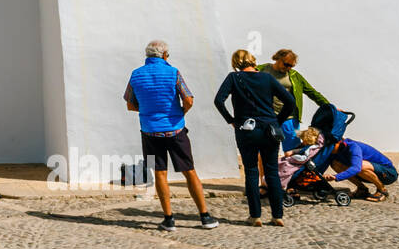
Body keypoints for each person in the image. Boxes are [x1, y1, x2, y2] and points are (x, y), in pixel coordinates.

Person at [123, 40, 218, 232]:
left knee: (160, 173)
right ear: (165, 54)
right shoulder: (173, 72)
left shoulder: (136, 75)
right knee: (189, 171)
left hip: (150, 131)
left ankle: (168, 218)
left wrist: (149, 111)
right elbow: (189, 99)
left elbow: (130, 104)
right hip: (175, 129)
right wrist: (181, 112)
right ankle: (205, 216)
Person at [214, 48, 296, 226]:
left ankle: (255, 216)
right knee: (272, 172)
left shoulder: (233, 78)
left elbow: (218, 100)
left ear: (236, 63)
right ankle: (277, 215)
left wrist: (231, 120)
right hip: (269, 129)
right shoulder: (267, 78)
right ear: (252, 61)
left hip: (246, 129)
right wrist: (277, 121)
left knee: (251, 171)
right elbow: (290, 102)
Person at [260, 48, 329, 149]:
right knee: (265, 148)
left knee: (293, 148)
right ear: (278, 58)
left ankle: (291, 165)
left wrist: (329, 106)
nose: (288, 68)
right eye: (286, 64)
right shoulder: (262, 69)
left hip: (289, 117)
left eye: (291, 66)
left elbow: (312, 93)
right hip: (267, 115)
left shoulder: (294, 76)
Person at [325, 137, 397, 201]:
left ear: (338, 143)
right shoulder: (336, 151)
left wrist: (336, 177)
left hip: (389, 174)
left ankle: (382, 190)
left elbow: (356, 168)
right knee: (335, 164)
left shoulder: (353, 147)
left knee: (360, 165)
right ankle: (362, 190)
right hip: (366, 172)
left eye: (330, 147)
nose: (327, 149)